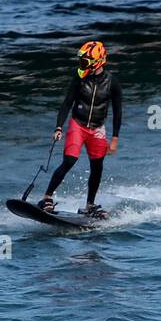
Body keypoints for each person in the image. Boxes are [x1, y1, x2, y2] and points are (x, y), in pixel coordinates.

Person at [40, 41, 122, 216]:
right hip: (78, 124)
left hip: (97, 130)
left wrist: (115, 138)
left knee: (97, 167)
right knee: (69, 161)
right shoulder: (79, 78)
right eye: (81, 61)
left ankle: (90, 205)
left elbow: (118, 111)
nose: (81, 65)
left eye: (85, 61)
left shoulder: (112, 83)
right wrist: (58, 127)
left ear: (98, 62)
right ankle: (46, 198)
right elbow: (67, 103)